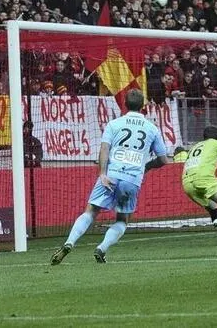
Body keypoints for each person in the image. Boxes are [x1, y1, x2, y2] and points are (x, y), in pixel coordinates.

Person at [50, 89, 169, 265]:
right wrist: (146, 167)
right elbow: (163, 159)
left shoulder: (114, 124)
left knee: (90, 211)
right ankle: (102, 248)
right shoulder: (152, 128)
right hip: (132, 179)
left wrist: (102, 174)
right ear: (143, 106)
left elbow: (104, 149)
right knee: (122, 219)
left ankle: (69, 242)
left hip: (111, 175)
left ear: (125, 104)